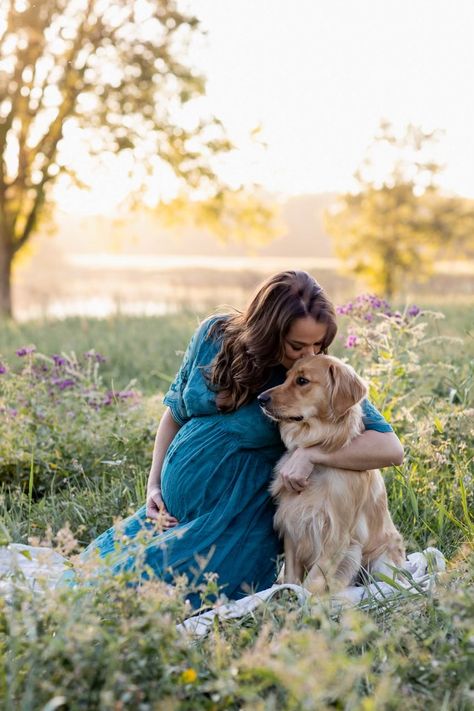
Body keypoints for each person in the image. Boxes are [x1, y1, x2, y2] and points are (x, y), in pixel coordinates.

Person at [66, 271, 403, 606]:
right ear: (269, 330)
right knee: (88, 577)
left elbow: (389, 447)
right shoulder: (214, 335)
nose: (308, 354)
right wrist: (154, 486)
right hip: (172, 516)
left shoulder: (310, 378)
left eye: (318, 343)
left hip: (230, 523)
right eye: (297, 345)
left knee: (130, 598)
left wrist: (313, 455)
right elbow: (174, 413)